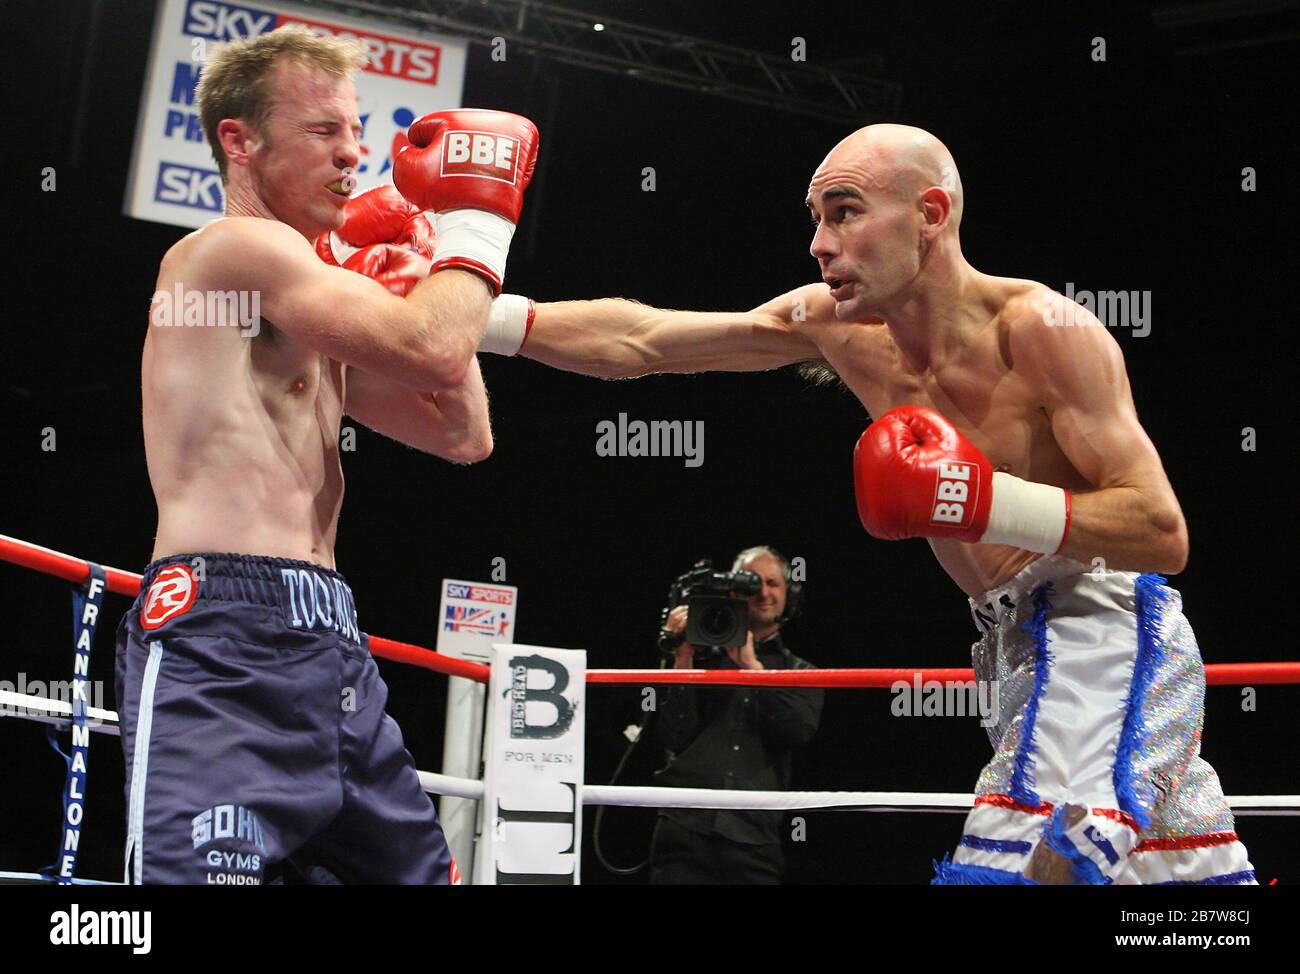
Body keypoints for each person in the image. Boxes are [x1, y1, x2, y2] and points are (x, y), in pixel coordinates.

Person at [509, 124, 1254, 885]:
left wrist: (981, 500)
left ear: (930, 214)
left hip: (1097, 629)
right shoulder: (842, 330)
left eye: (845, 212)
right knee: (1183, 883)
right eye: (816, 219)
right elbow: (645, 339)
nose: (819, 244)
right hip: (1010, 642)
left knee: (1024, 865)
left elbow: (1161, 531)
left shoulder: (1041, 331)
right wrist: (484, 321)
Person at [114, 25, 538, 884]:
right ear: (240, 141)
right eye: (322, 130)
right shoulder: (230, 252)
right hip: (221, 638)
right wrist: (476, 221)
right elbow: (432, 348)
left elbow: (464, 435)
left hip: (331, 638)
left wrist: (424, 262)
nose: (353, 154)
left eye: (357, 130)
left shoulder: (312, 305)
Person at [651, 547, 822, 884]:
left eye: (772, 583)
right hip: (683, 827)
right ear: (733, 592)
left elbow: (798, 731)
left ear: (789, 594)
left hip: (754, 838)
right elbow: (672, 735)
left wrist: (752, 669)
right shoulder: (698, 658)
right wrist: (682, 658)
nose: (763, 592)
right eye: (752, 582)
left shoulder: (801, 671)